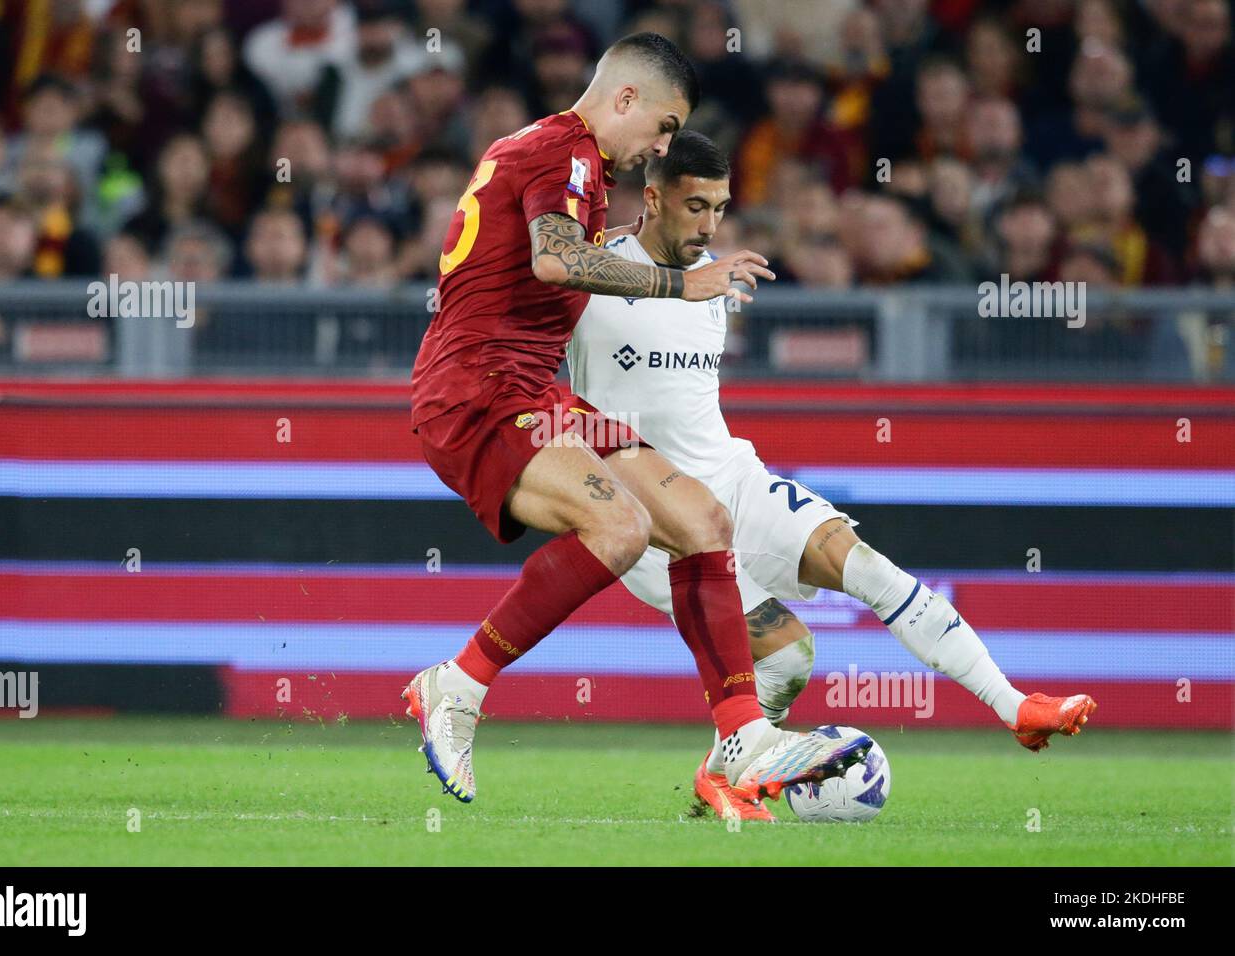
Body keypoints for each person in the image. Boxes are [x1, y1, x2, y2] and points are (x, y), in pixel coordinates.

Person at [566, 131, 1097, 821]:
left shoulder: (719, 282)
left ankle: (1015, 705)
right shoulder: (589, 271)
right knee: (789, 662)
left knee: (864, 564)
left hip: (732, 478)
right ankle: (723, 769)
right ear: (654, 196)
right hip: (654, 516)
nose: (709, 225)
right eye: (694, 206)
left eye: (720, 208)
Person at [405, 33, 870, 806]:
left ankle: (746, 734)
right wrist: (679, 284)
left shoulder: (568, 161)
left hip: (532, 392)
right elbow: (556, 260)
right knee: (619, 529)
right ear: (624, 99)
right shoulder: (568, 151)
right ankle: (457, 685)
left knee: (701, 519)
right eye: (662, 126)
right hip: (477, 394)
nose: (662, 146)